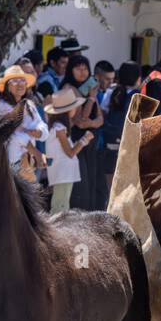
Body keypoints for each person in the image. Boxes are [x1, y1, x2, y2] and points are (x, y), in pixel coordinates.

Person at [62, 54, 105, 211]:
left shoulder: (89, 87)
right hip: (76, 142)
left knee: (92, 182)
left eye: (85, 68)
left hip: (90, 143)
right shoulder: (69, 89)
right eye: (78, 68)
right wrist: (92, 98)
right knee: (82, 185)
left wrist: (92, 123)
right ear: (70, 70)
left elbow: (100, 118)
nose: (82, 72)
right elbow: (80, 120)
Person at [0, 65, 48, 182]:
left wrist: (40, 132)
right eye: (15, 81)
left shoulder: (29, 105)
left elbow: (42, 126)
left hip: (28, 162)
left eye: (23, 80)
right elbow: (12, 135)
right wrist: (36, 152)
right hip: (9, 165)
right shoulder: (1, 107)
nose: (20, 84)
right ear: (7, 86)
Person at [43, 88, 94, 214]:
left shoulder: (59, 127)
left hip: (62, 172)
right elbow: (70, 153)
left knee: (61, 204)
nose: (75, 110)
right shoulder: (59, 128)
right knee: (60, 206)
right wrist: (84, 139)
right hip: (62, 173)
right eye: (73, 107)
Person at [100, 61, 141, 196]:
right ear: (138, 78)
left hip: (110, 141)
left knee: (110, 183)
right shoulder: (139, 96)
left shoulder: (111, 92)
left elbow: (103, 112)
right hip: (129, 144)